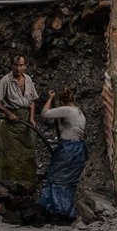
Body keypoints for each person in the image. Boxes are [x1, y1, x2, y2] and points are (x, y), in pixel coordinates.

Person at [0, 55, 39, 188]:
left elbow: (32, 101)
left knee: (28, 153)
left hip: (26, 122)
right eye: (16, 65)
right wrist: (8, 113)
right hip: (11, 124)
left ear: (25, 66)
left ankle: (28, 185)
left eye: (21, 65)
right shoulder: (6, 80)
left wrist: (32, 118)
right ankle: (9, 186)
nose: (18, 68)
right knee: (10, 155)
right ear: (12, 65)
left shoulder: (28, 79)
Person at [38, 86, 88, 222]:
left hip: (67, 149)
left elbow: (45, 113)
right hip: (79, 149)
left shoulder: (66, 110)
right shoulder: (79, 112)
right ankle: (67, 211)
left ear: (61, 101)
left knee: (57, 179)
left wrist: (49, 98)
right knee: (69, 181)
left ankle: (55, 211)